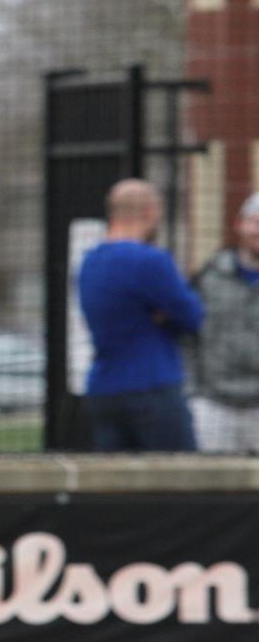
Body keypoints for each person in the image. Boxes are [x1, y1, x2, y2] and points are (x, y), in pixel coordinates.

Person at [76, 178, 203, 452]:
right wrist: (162, 316)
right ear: (150, 211)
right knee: (176, 479)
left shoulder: (89, 262)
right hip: (152, 386)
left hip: (104, 391)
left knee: (118, 486)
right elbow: (192, 315)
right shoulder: (150, 260)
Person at [189, 192, 259, 453]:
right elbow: (187, 336)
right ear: (239, 224)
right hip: (215, 405)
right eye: (255, 222)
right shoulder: (209, 277)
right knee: (213, 489)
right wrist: (192, 393)